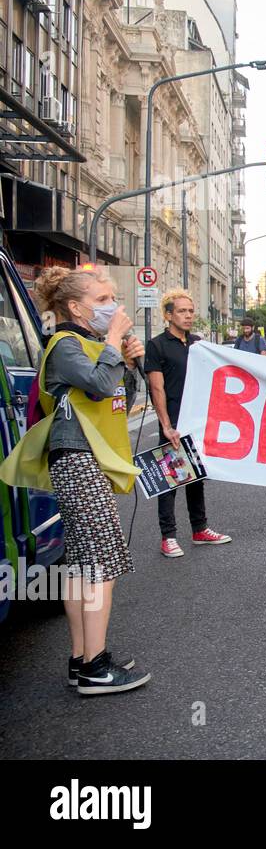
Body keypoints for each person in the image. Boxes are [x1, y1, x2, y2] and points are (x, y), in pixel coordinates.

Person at [0, 266, 149, 694]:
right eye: (102, 300)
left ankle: (83, 658)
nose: (112, 306)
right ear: (74, 307)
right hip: (78, 458)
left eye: (112, 298)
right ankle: (96, 668)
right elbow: (101, 384)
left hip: (89, 458)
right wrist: (114, 343)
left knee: (82, 563)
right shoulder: (65, 344)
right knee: (103, 560)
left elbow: (121, 398)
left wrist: (129, 360)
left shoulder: (89, 344)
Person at [145, 290, 233, 558]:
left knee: (197, 477)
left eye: (191, 311)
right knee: (170, 480)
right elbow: (156, 388)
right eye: (182, 311)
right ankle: (168, 537)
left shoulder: (197, 344)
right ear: (168, 315)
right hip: (173, 422)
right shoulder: (157, 345)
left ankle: (200, 529)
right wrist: (166, 425)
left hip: (196, 422)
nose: (188, 316)